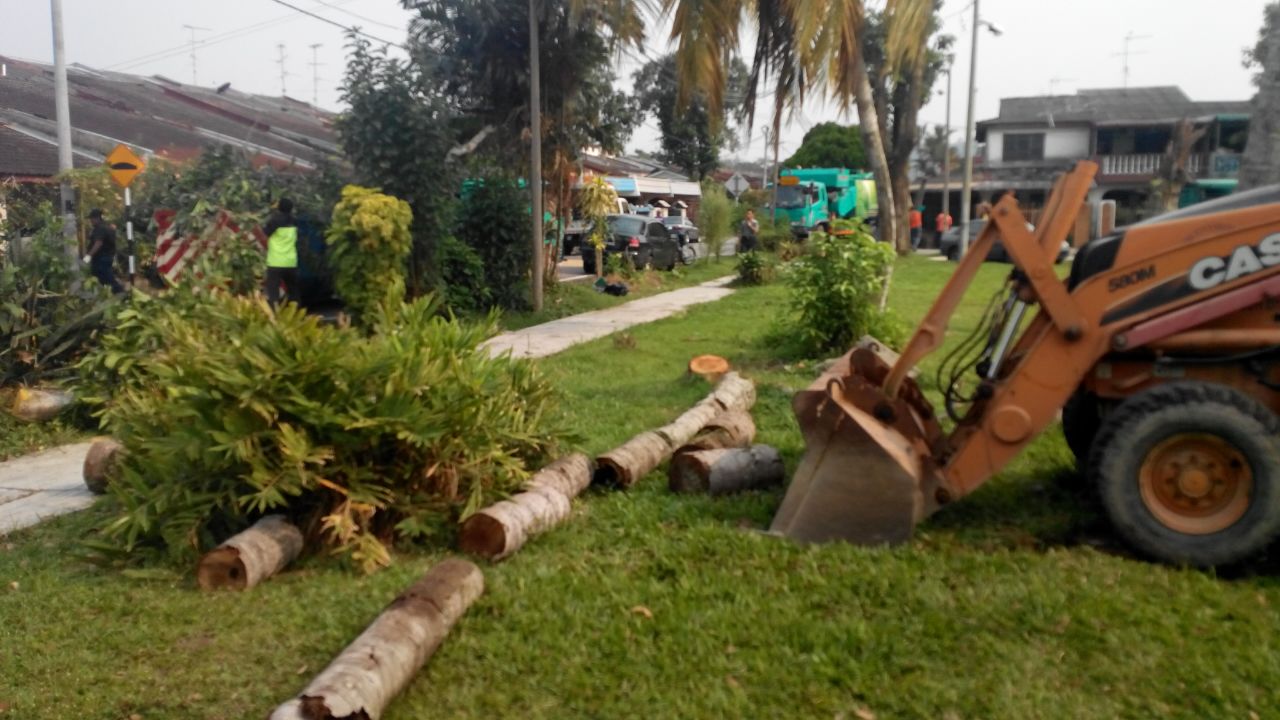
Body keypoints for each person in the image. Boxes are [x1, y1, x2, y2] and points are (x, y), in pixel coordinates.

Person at [263, 198, 298, 308]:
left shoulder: (274, 221)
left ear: (279, 207)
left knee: (273, 291)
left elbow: (265, 233)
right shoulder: (294, 221)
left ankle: (275, 315)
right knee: (293, 291)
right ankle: (296, 313)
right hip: (291, 262)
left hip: (275, 262)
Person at [83, 208, 124, 293]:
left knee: (106, 277)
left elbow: (98, 243)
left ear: (97, 218)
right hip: (105, 257)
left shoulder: (100, 228)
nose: (91, 221)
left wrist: (88, 256)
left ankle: (120, 293)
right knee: (100, 278)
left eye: (92, 218)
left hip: (102, 258)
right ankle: (108, 294)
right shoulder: (106, 227)